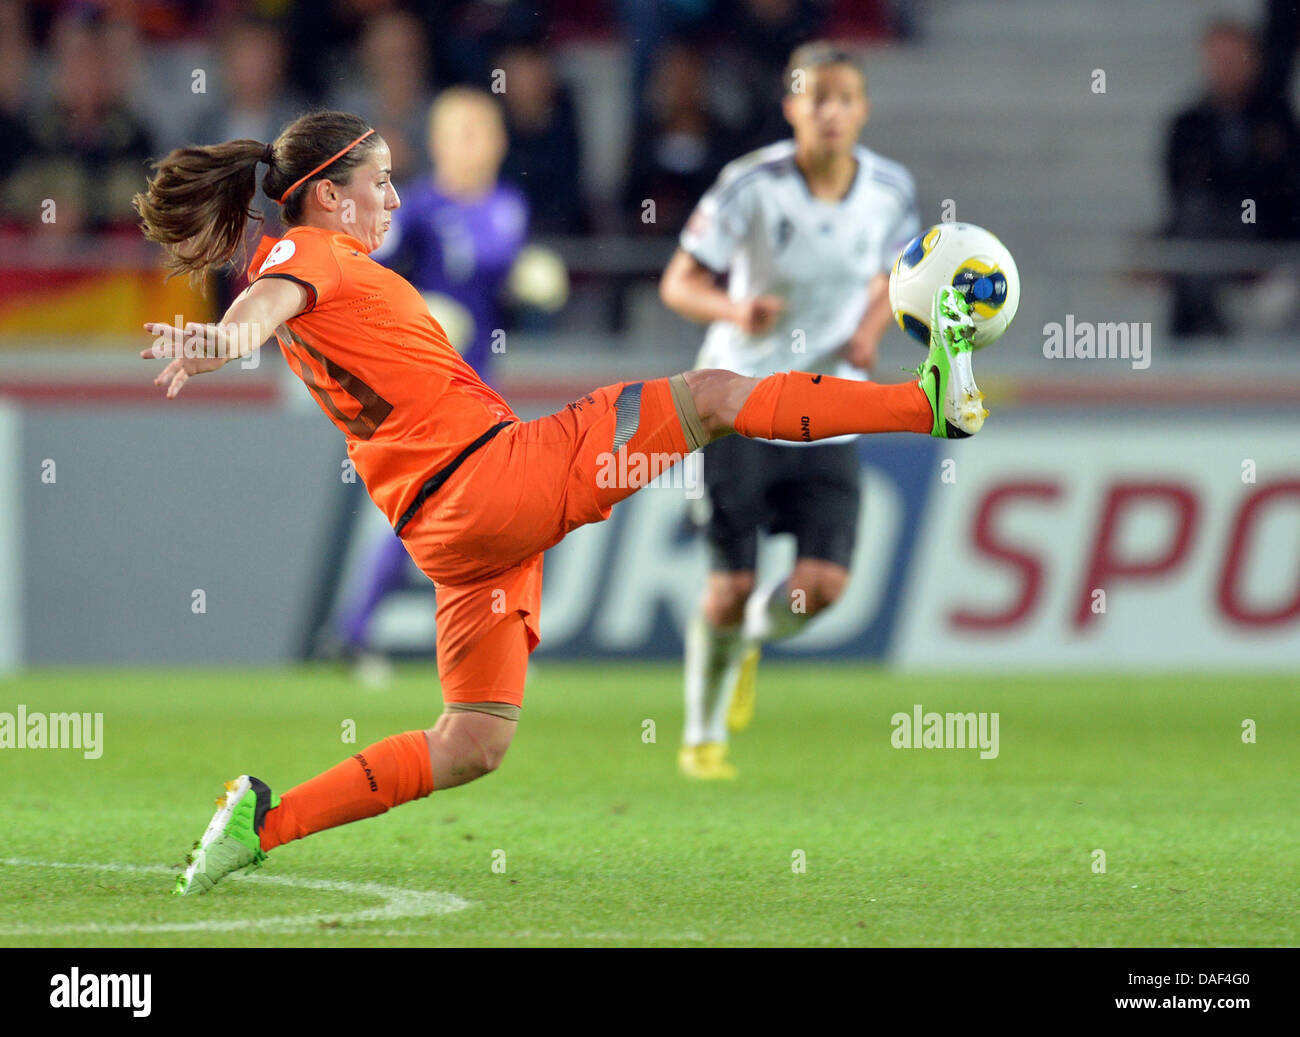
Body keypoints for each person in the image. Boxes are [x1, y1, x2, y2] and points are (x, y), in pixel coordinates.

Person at [132, 109, 986, 895]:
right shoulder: (308, 254)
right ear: (326, 193)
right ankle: (925, 401)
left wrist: (231, 338)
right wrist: (221, 339)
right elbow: (261, 308)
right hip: (496, 479)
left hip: (452, 536)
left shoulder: (340, 271)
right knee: (715, 396)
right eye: (380, 180)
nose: (393, 196)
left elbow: (271, 311)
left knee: (472, 741)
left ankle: (260, 825)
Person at [660, 42, 917, 779]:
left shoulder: (890, 189)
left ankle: (749, 644)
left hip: (827, 402)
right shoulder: (751, 184)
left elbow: (899, 272)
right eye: (816, 97)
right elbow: (678, 282)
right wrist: (737, 306)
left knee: (823, 587)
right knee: (731, 586)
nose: (829, 110)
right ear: (791, 107)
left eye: (844, 97)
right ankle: (701, 736)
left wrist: (870, 332)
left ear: (862, 109)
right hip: (741, 396)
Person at [331, 87, 530, 679]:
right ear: (439, 143)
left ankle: (357, 634)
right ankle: (360, 633)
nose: (479, 145)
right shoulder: (411, 208)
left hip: (479, 385)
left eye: (487, 132)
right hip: (424, 387)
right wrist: (425, 308)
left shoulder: (509, 205)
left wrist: (525, 288)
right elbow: (362, 279)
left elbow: (497, 294)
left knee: (465, 511)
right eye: (464, 132)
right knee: (467, 507)